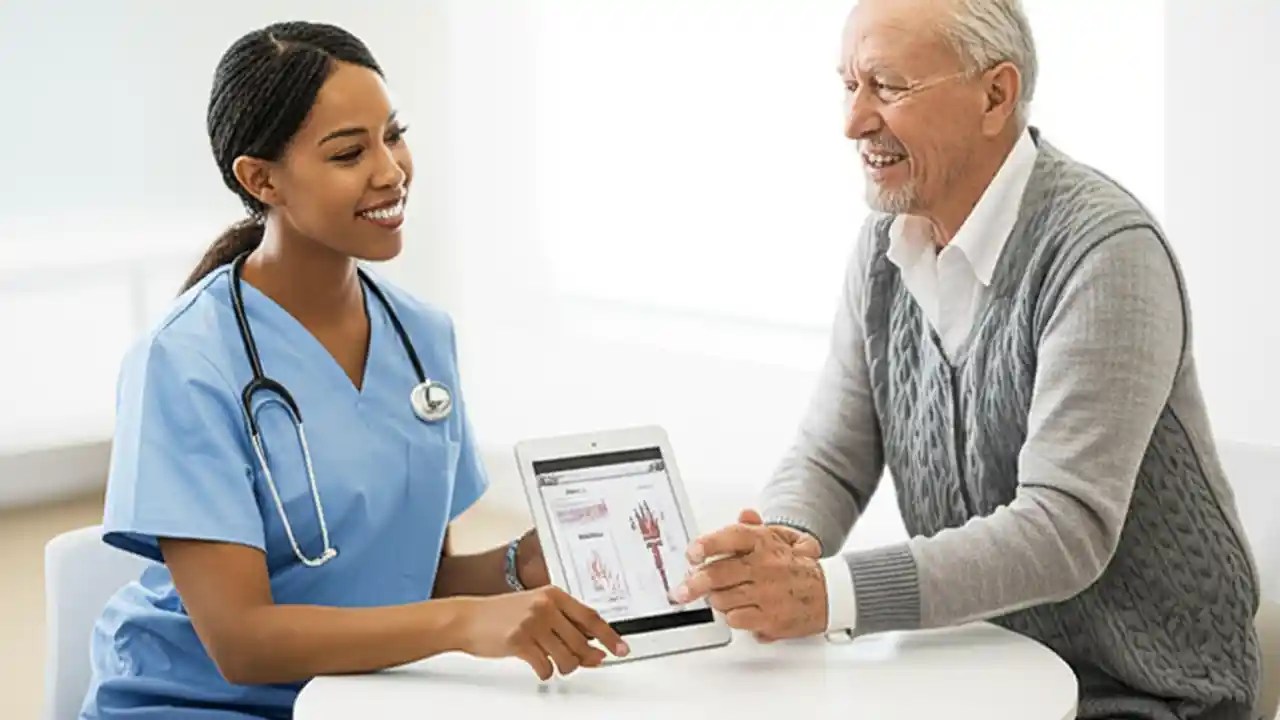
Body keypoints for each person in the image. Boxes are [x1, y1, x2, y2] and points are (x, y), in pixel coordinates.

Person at [675, 0, 1262, 717]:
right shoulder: (886, 246)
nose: (853, 121)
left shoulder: (1105, 252)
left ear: (995, 96)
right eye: (848, 84)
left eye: (886, 87)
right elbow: (831, 457)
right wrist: (779, 548)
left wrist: (827, 593)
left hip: (1148, 695)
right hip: (989, 674)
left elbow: (1063, 528)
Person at [80, 21, 627, 720]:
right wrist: (464, 623)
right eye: (348, 153)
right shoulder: (184, 362)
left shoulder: (422, 336)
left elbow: (413, 583)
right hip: (198, 705)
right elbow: (241, 642)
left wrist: (526, 564)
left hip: (369, 696)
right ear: (261, 178)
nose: (391, 170)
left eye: (393, 136)